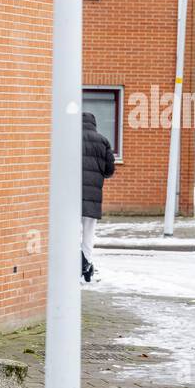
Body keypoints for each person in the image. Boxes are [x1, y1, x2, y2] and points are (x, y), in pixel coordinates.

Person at [81, 110, 116, 283]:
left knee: (71, 230)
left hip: (72, 194)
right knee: (88, 231)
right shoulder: (103, 141)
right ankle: (86, 263)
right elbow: (110, 170)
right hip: (93, 196)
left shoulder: (71, 138)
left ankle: (73, 261)